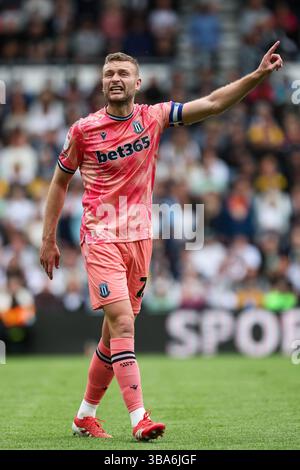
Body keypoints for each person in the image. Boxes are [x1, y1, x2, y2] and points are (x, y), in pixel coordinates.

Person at [40, 43, 283, 440]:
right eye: (108, 74)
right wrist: (48, 239)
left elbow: (212, 104)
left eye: (122, 74)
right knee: (122, 322)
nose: (114, 79)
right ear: (102, 83)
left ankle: (85, 415)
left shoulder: (153, 118)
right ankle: (139, 419)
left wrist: (255, 76)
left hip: (140, 240)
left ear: (138, 82)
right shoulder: (83, 130)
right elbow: (59, 182)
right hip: (100, 235)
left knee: (110, 335)